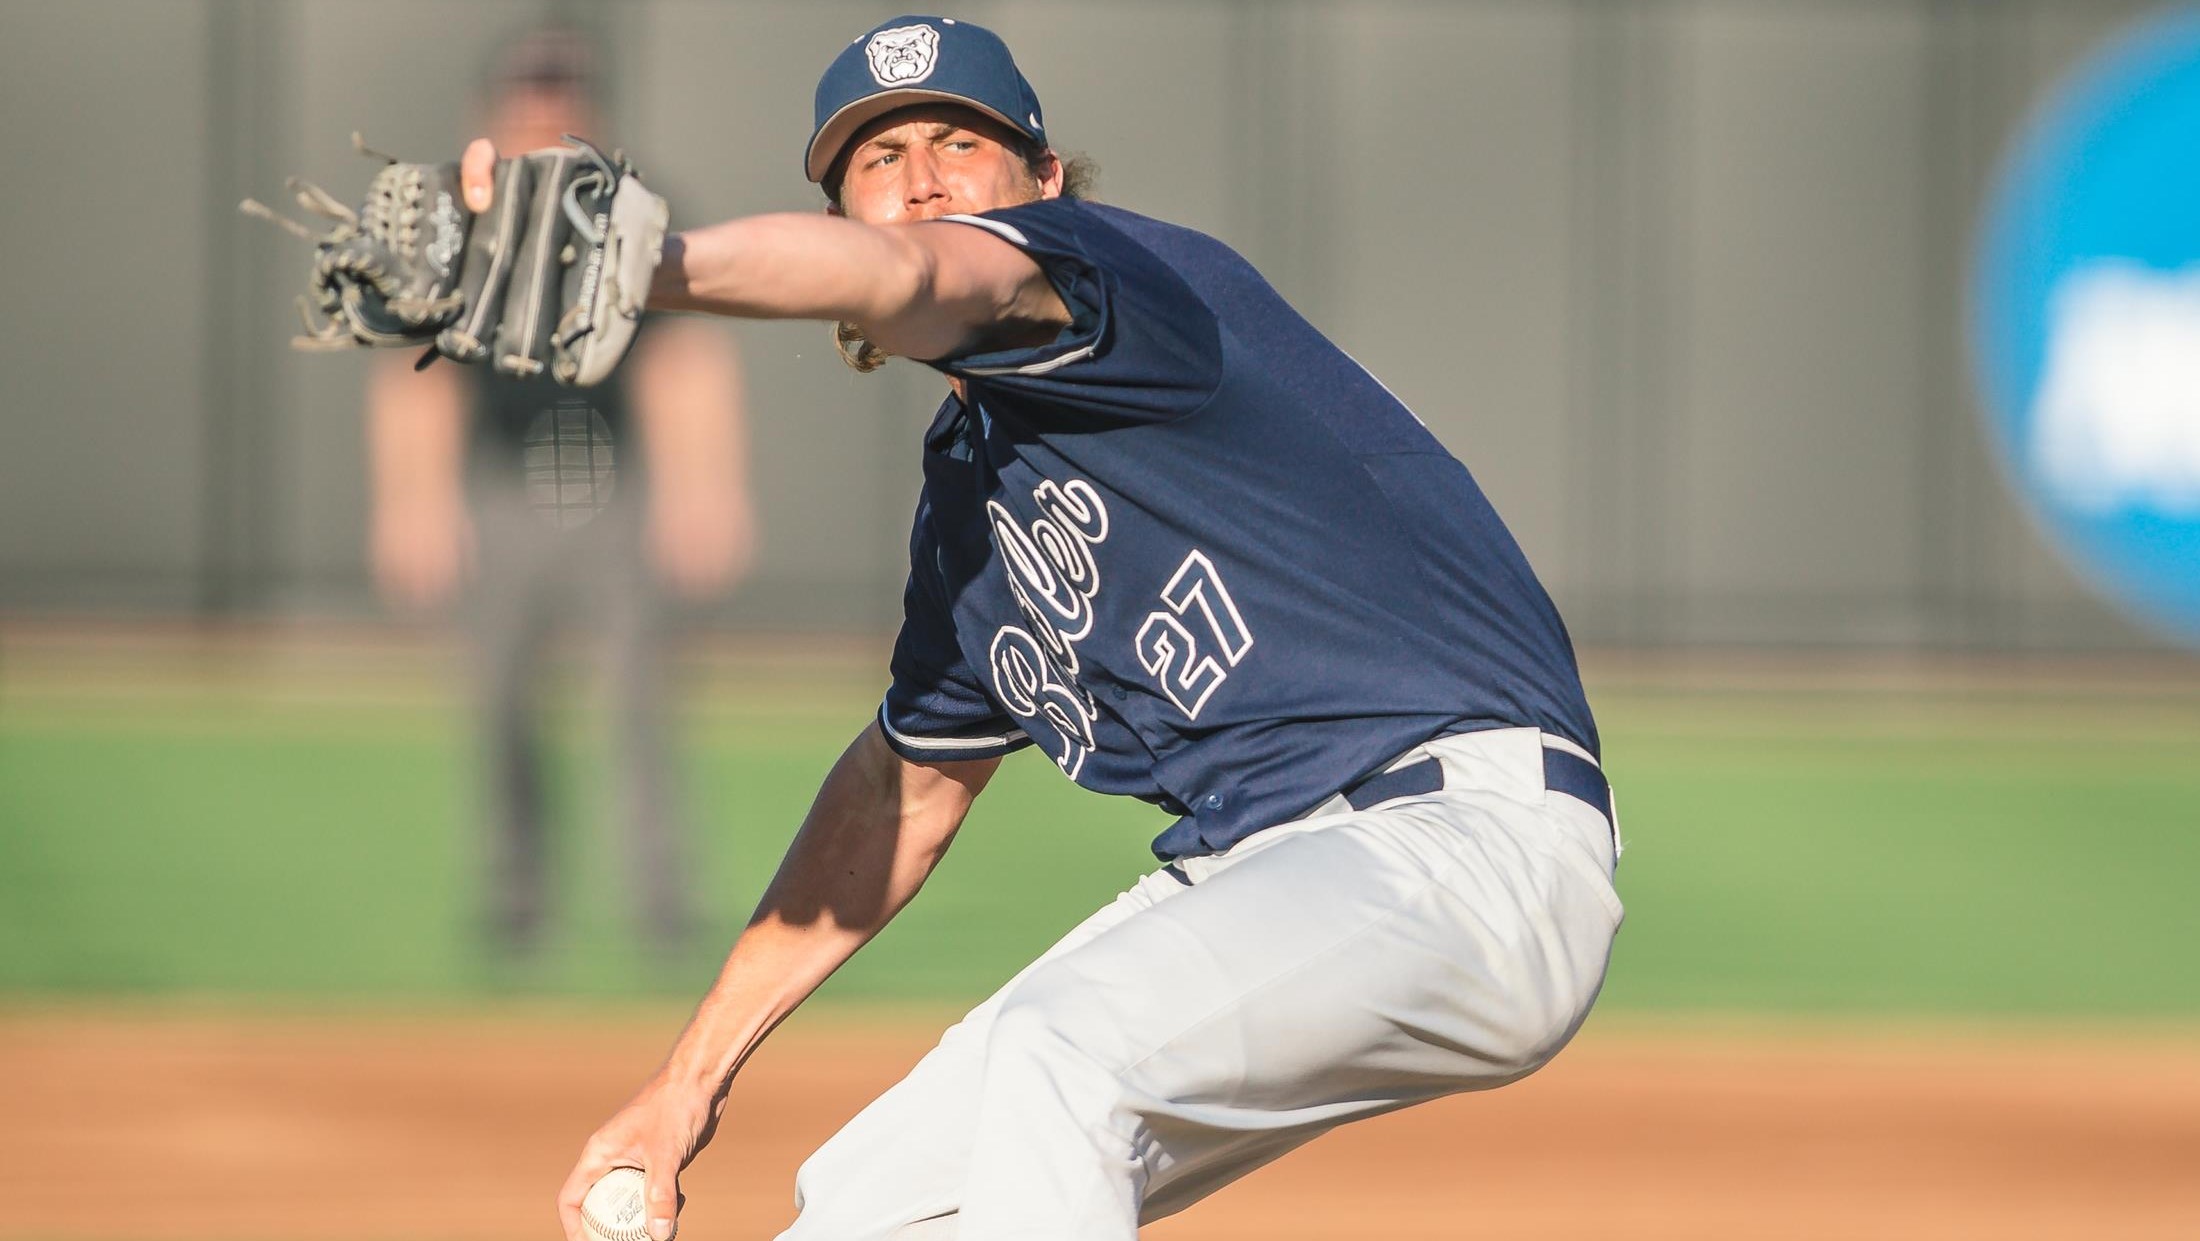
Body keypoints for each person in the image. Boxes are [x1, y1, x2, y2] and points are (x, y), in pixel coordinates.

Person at [466, 15, 1620, 1238]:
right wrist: (684, 1082)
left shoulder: (1119, 286)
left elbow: (916, 277)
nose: (919, 175)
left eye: (958, 139)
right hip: (1274, 869)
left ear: (1043, 181)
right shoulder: (971, 508)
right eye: (878, 156)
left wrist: (650, 267)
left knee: (1059, 1050)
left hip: (1462, 837)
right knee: (867, 1204)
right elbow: (899, 791)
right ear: (838, 210)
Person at [369, 27, 755, 961]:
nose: (547, 111)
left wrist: (707, 491)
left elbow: (685, 360)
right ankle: (517, 905)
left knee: (639, 705)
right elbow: (417, 377)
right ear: (493, 108)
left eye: (563, 94)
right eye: (531, 94)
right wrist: (412, 505)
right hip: (502, 490)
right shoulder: (450, 223)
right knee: (500, 704)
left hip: (615, 488)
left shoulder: (633, 209)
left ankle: (661, 904)